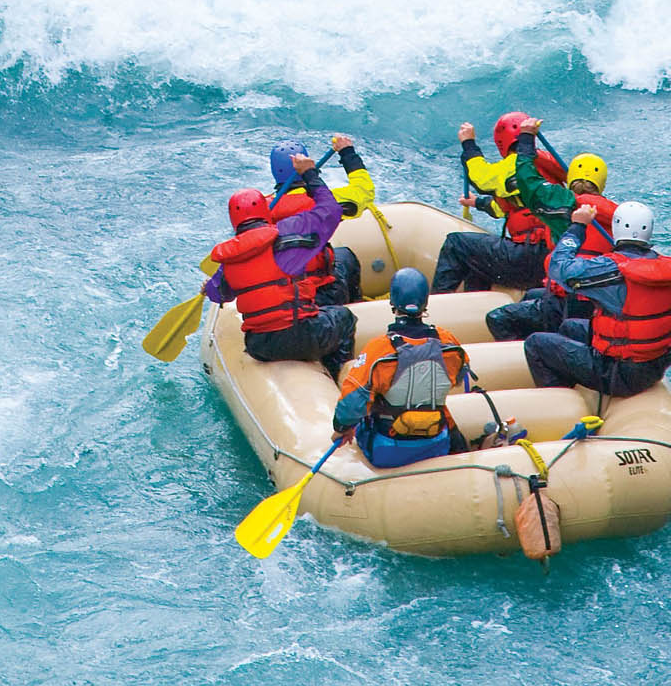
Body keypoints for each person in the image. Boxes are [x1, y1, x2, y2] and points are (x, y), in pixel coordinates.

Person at [203, 158, 357, 377]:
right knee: (344, 318)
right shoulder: (288, 238)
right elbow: (330, 211)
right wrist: (310, 174)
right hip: (300, 335)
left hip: (260, 347)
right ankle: (338, 376)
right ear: (265, 212)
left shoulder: (228, 259)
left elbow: (219, 295)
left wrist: (208, 287)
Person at [523, 201, 671, 398]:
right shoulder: (661, 266)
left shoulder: (611, 269)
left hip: (621, 374)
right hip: (655, 366)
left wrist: (578, 227)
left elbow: (558, 268)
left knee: (535, 343)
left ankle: (559, 403)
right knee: (570, 326)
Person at [481, 123, 615, 341]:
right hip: (596, 303)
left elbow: (529, 185)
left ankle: (528, 358)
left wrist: (526, 141)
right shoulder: (617, 215)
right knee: (531, 295)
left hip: (568, 303)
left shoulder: (565, 203)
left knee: (498, 318)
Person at [332, 270, 473, 468]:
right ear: (425, 303)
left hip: (387, 451)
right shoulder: (448, 343)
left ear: (393, 302)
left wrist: (342, 428)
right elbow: (458, 377)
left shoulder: (379, 349)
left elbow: (351, 403)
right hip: (437, 444)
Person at [432, 112, 561, 293]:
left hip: (527, 256)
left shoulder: (517, 164)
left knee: (456, 243)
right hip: (552, 258)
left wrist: (468, 144)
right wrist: (478, 203)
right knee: (478, 260)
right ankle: (473, 306)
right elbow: (508, 207)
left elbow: (481, 178)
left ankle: (437, 304)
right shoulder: (546, 164)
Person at [268, 134, 374, 306]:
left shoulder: (263, 209)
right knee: (345, 256)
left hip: (281, 293)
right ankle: (355, 305)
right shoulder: (328, 203)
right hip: (322, 290)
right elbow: (365, 191)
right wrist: (347, 153)